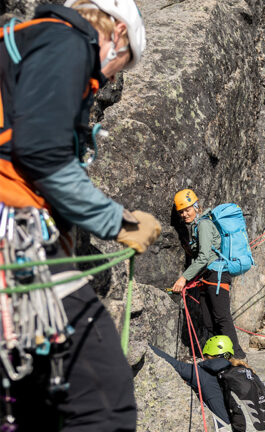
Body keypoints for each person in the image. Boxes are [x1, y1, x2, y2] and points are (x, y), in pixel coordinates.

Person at [0, 0, 160, 430]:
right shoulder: (67, 40)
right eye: (121, 65)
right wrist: (119, 223)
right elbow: (41, 149)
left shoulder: (25, 43)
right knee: (103, 397)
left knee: (34, 403)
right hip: (15, 236)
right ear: (117, 35)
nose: (108, 78)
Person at [171, 189, 246, 359]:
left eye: (187, 209)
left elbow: (204, 257)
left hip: (217, 275)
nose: (184, 214)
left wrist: (184, 278)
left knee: (221, 317)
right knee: (208, 319)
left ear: (196, 207)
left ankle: (238, 357)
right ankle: (216, 356)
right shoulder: (196, 227)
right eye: (181, 212)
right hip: (207, 276)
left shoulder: (204, 224)